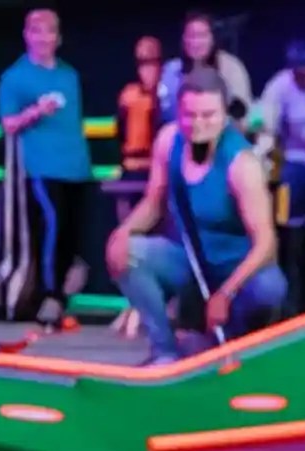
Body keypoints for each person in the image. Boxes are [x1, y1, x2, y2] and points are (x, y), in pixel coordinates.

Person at [107, 69, 288, 366]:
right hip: (189, 261)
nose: (198, 124)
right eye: (190, 115)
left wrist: (226, 294)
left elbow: (266, 243)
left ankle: (230, 343)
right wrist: (123, 233)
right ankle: (164, 351)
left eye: (208, 115)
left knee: (270, 288)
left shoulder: (242, 164)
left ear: (225, 114)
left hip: (238, 270)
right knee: (128, 252)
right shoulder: (168, 141)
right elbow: (154, 203)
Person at [0, 9, 93, 326]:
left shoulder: (69, 76)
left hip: (76, 166)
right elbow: (8, 124)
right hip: (40, 167)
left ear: (58, 36)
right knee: (53, 226)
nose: (43, 37)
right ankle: (49, 295)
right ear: (26, 35)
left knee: (73, 233)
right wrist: (36, 111)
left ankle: (61, 296)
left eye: (49, 30)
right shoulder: (14, 78)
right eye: (36, 30)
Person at [258, 40, 305, 315]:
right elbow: (265, 126)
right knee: (287, 187)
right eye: (297, 71)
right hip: (296, 164)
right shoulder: (280, 85)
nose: (302, 76)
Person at [158, 12, 252, 126]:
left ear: (212, 39)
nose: (196, 43)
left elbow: (241, 116)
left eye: (202, 36)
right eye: (191, 36)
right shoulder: (171, 71)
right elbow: (165, 112)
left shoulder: (232, 68)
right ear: (183, 39)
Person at [117, 36, 163, 183]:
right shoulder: (129, 95)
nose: (147, 69)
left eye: (151, 62)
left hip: (163, 167)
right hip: (134, 166)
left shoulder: (170, 93)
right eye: (142, 63)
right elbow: (121, 132)